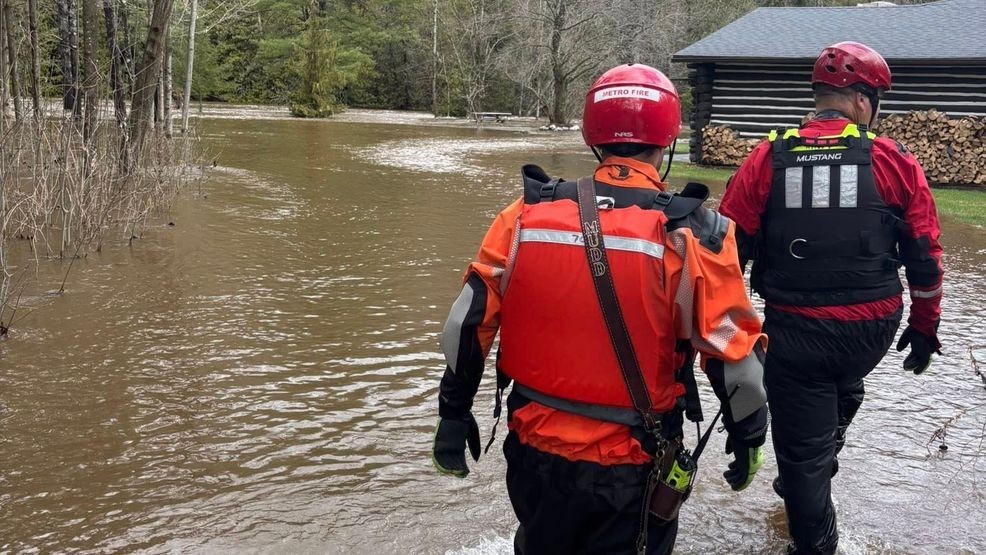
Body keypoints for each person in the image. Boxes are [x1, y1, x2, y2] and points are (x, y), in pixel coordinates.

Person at [431, 63, 770, 554]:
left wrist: (453, 413)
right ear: (668, 138)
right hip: (633, 463)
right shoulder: (698, 233)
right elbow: (733, 356)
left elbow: (466, 325)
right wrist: (749, 434)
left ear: (593, 137)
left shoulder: (523, 215)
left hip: (533, 450)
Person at [719, 42, 944, 554]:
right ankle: (817, 454)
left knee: (802, 457)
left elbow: (727, 256)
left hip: (796, 334)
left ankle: (811, 513)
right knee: (840, 386)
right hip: (872, 334)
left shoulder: (767, 158)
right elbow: (925, 256)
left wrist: (729, 342)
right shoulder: (894, 160)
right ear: (864, 101)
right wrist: (925, 327)